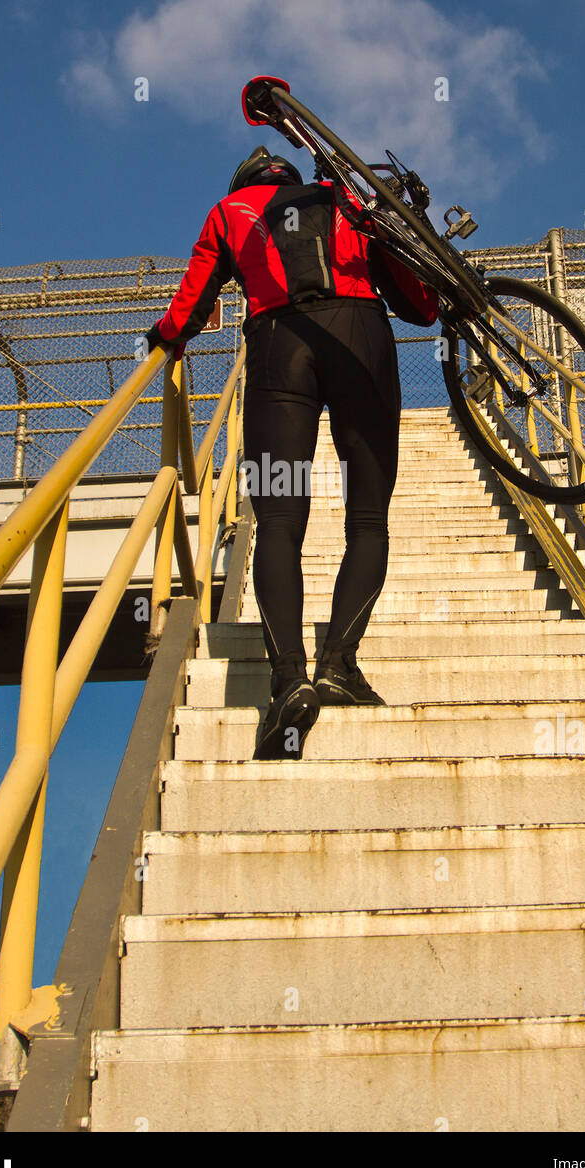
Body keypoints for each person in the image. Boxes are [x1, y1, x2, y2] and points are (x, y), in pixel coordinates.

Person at [146, 141, 408, 761]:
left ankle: (288, 679)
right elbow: (407, 289)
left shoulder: (230, 210)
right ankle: (340, 664)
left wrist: (163, 338)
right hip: (363, 339)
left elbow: (186, 310)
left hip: (278, 344)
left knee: (281, 523)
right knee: (368, 519)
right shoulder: (344, 193)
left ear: (245, 181)